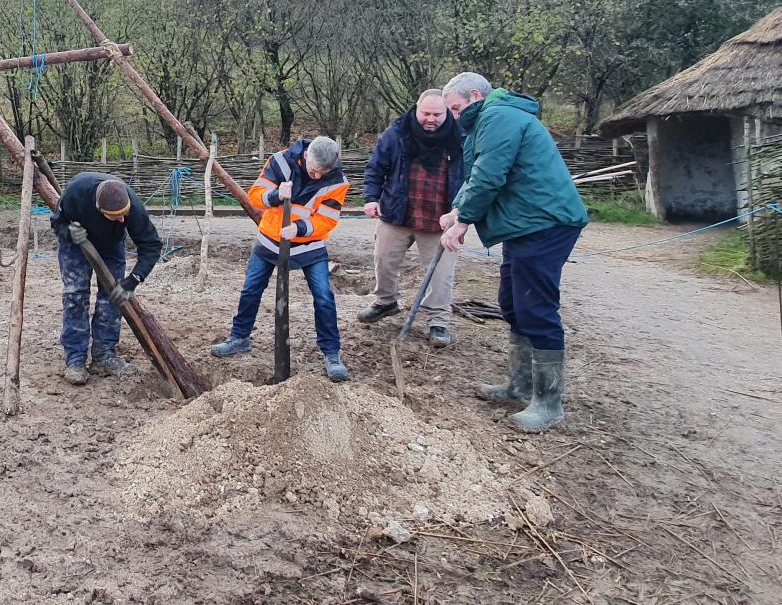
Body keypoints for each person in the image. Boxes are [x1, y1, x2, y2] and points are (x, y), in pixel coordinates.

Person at [439, 72, 589, 433]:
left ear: (475, 95)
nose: (456, 117)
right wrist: (458, 209)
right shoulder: (489, 120)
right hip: (524, 225)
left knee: (536, 308)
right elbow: (477, 173)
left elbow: (491, 176)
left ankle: (548, 404)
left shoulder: (499, 116)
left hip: (544, 223)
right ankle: (519, 386)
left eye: (457, 109)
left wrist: (464, 222)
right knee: (512, 303)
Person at [207, 136, 354, 380]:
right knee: (251, 289)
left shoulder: (337, 181)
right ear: (306, 156)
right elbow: (255, 195)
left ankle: (331, 354)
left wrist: (300, 228)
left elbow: (327, 218)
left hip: (309, 244)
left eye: (322, 173)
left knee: (324, 297)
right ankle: (239, 337)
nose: (317, 177)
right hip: (270, 238)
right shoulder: (280, 162)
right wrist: (275, 195)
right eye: (313, 171)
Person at [358, 90, 467, 348]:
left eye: (437, 114)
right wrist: (371, 198)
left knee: (441, 274)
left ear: (447, 113)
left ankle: (438, 321)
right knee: (384, 260)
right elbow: (376, 167)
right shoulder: (397, 133)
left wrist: (461, 211)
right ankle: (386, 302)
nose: (430, 119)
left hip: (439, 220)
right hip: (397, 212)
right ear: (417, 110)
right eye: (425, 114)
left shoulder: (460, 138)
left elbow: (470, 178)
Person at [51, 172, 163, 386]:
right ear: (99, 209)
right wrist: (68, 232)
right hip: (76, 244)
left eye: (124, 214)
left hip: (111, 245)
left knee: (113, 298)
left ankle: (104, 355)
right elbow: (57, 223)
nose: (122, 219)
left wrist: (134, 280)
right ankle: (75, 359)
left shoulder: (133, 206)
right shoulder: (77, 192)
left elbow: (151, 245)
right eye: (115, 216)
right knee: (75, 297)